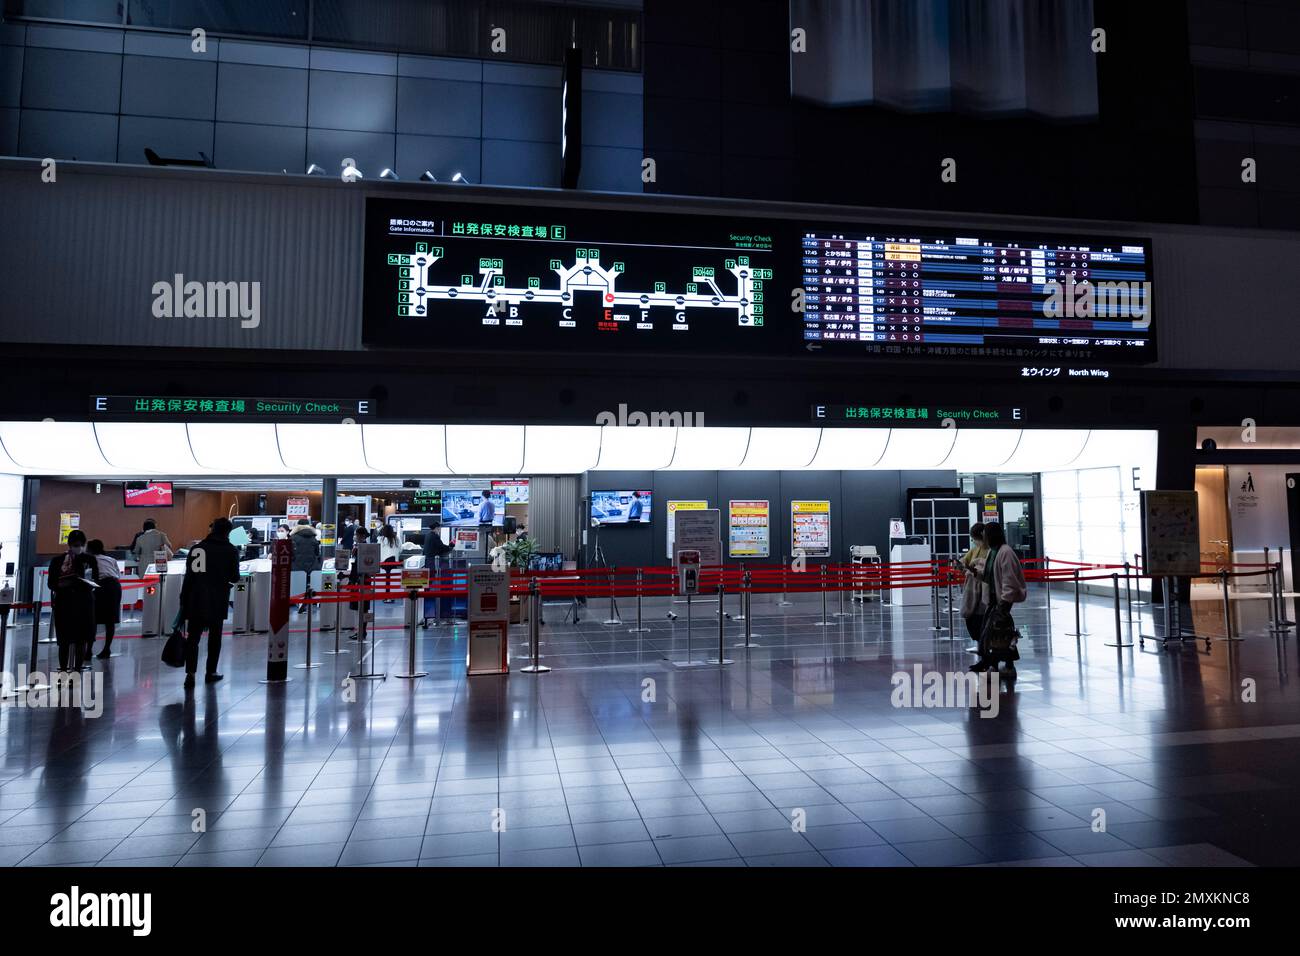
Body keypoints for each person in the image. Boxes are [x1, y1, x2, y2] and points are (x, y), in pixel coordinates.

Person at [178, 517, 240, 687]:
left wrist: (184, 598)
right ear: (228, 532)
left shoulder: (198, 549)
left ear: (212, 529)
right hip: (218, 598)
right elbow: (235, 577)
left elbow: (190, 576)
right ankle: (210, 672)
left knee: (193, 637)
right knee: (215, 637)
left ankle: (190, 674)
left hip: (196, 597)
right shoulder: (230, 550)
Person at [970, 522, 1027, 678]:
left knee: (996, 635)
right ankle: (1003, 667)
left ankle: (997, 668)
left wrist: (1005, 602)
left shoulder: (1005, 552)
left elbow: (1009, 579)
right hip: (995, 600)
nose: (983, 538)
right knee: (1000, 635)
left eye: (985, 534)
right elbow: (990, 576)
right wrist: (975, 572)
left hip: (1001, 601)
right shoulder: (994, 552)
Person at [47, 530, 98, 671]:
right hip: (65, 603)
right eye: (75, 544)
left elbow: (96, 579)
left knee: (81, 639)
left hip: (83, 603)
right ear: (69, 544)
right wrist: (62, 584)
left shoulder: (89, 560)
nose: (78, 547)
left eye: (81, 545)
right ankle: (63, 669)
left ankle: (77, 668)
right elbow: (51, 583)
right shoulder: (58, 561)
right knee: (64, 640)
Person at [86, 539, 122, 659]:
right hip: (114, 587)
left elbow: (87, 576)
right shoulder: (111, 559)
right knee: (110, 621)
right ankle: (107, 649)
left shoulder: (90, 559)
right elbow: (117, 574)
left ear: (90, 550)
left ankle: (88, 650)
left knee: (92, 618)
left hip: (100, 587)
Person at [957, 523, 989, 646]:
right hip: (972, 589)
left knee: (982, 619)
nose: (975, 542)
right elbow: (964, 561)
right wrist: (960, 565)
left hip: (984, 589)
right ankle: (981, 644)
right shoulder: (975, 550)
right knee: (972, 618)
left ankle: (984, 646)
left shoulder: (991, 551)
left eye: (975, 539)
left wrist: (976, 565)